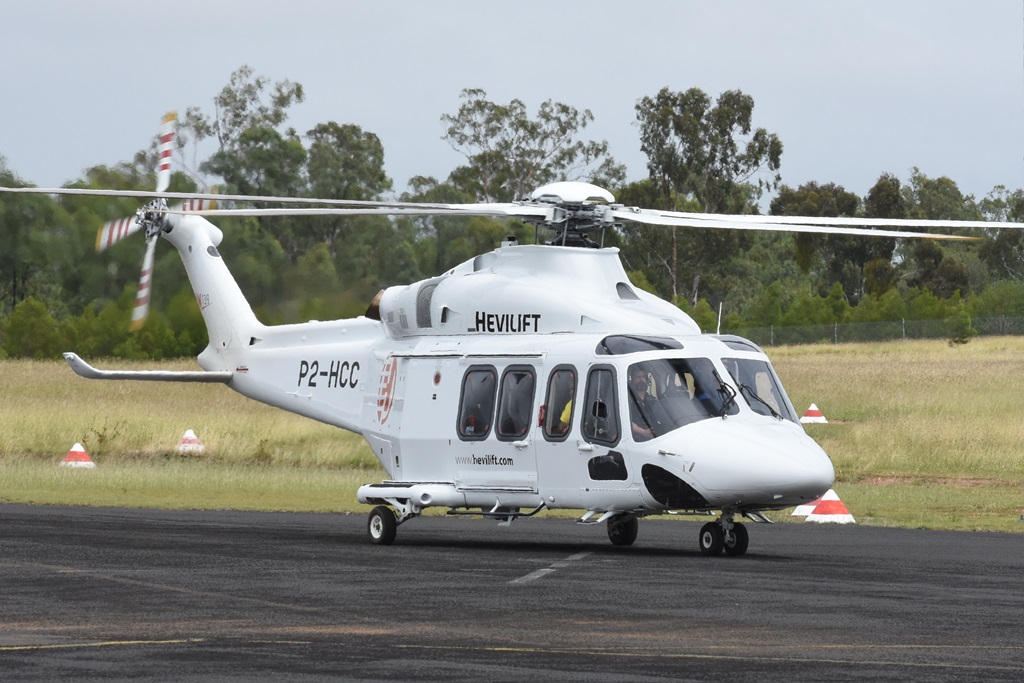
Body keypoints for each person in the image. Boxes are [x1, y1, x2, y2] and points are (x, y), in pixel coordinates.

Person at [629, 365, 657, 441]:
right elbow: (624, 420)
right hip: (636, 439)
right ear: (632, 380)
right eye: (638, 377)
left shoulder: (652, 400)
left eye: (643, 377)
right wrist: (643, 432)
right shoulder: (628, 400)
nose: (641, 380)